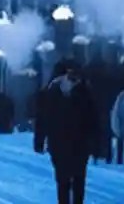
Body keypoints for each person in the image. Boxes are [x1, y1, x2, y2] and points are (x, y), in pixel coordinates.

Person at [34, 59, 99, 204]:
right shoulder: (84, 90)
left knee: (65, 178)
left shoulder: (52, 91)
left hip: (63, 141)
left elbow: (43, 117)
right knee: (77, 178)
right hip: (76, 141)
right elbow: (94, 119)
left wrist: (39, 140)